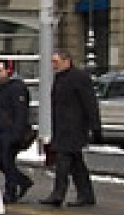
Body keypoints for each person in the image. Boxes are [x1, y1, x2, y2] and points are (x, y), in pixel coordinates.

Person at [39, 50, 100, 207]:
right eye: (52, 62)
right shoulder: (60, 78)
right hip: (62, 127)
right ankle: (86, 195)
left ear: (67, 61)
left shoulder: (78, 78)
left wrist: (95, 126)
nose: (53, 65)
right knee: (76, 164)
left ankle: (58, 194)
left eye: (56, 61)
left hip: (74, 128)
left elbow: (90, 102)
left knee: (63, 162)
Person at [0, 60, 34, 203]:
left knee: (7, 161)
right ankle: (22, 180)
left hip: (11, 131)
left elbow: (21, 112)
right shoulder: (0, 87)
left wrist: (17, 132)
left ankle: (11, 191)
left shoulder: (16, 88)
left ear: (9, 72)